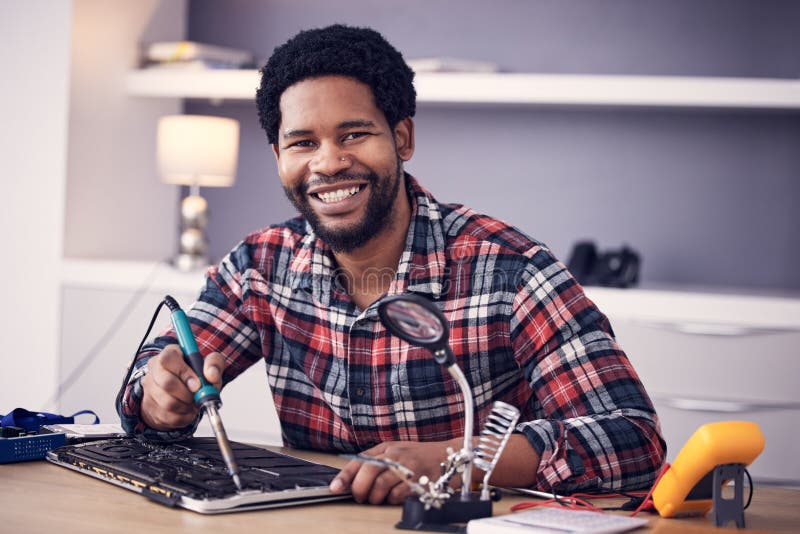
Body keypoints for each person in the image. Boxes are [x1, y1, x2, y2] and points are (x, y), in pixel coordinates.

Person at [117, 24, 665, 505]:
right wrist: (160, 398)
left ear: (401, 138)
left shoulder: (511, 270)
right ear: (279, 158)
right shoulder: (260, 266)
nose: (328, 162)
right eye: (303, 142)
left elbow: (632, 439)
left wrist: (457, 461)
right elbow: (159, 383)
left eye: (354, 134)